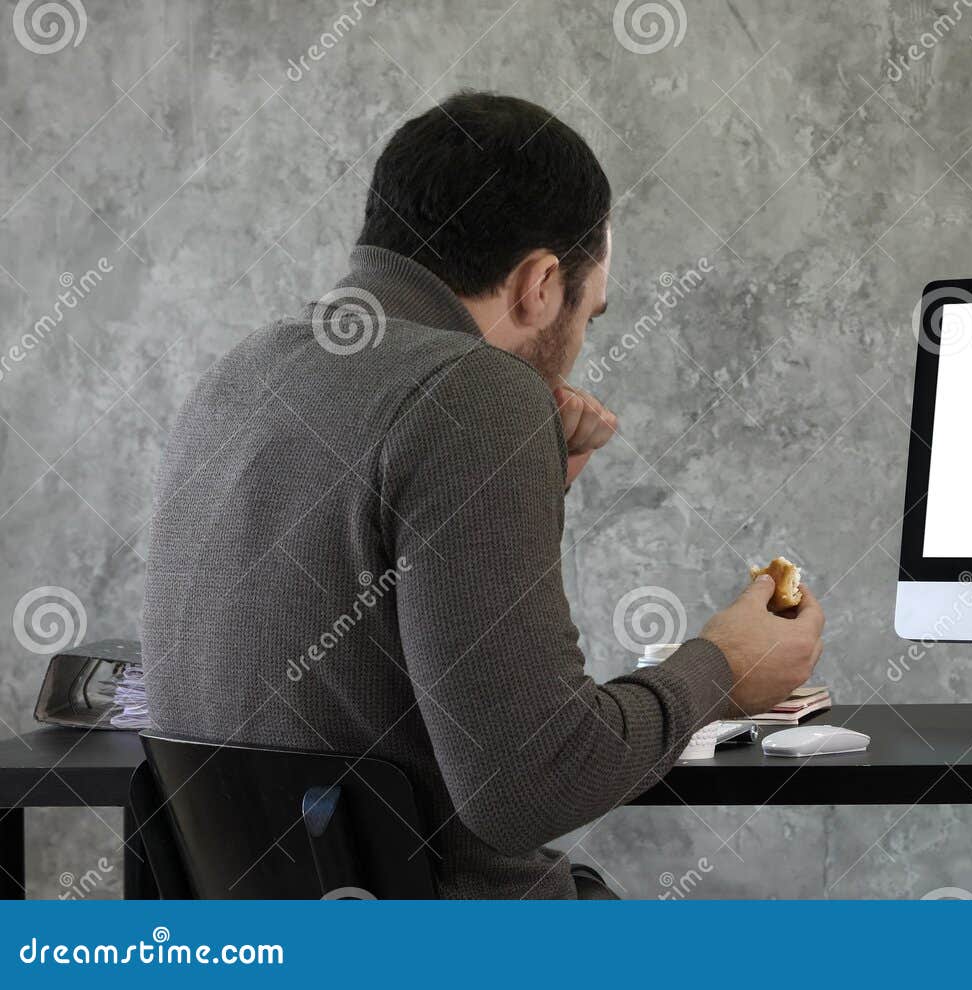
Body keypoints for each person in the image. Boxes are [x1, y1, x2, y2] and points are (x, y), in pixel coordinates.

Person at [141, 91, 824, 899]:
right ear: (539, 284)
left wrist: (524, 485)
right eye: (590, 315)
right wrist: (725, 667)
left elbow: (351, 661)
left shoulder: (239, 375)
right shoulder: (477, 393)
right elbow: (533, 785)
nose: (579, 345)